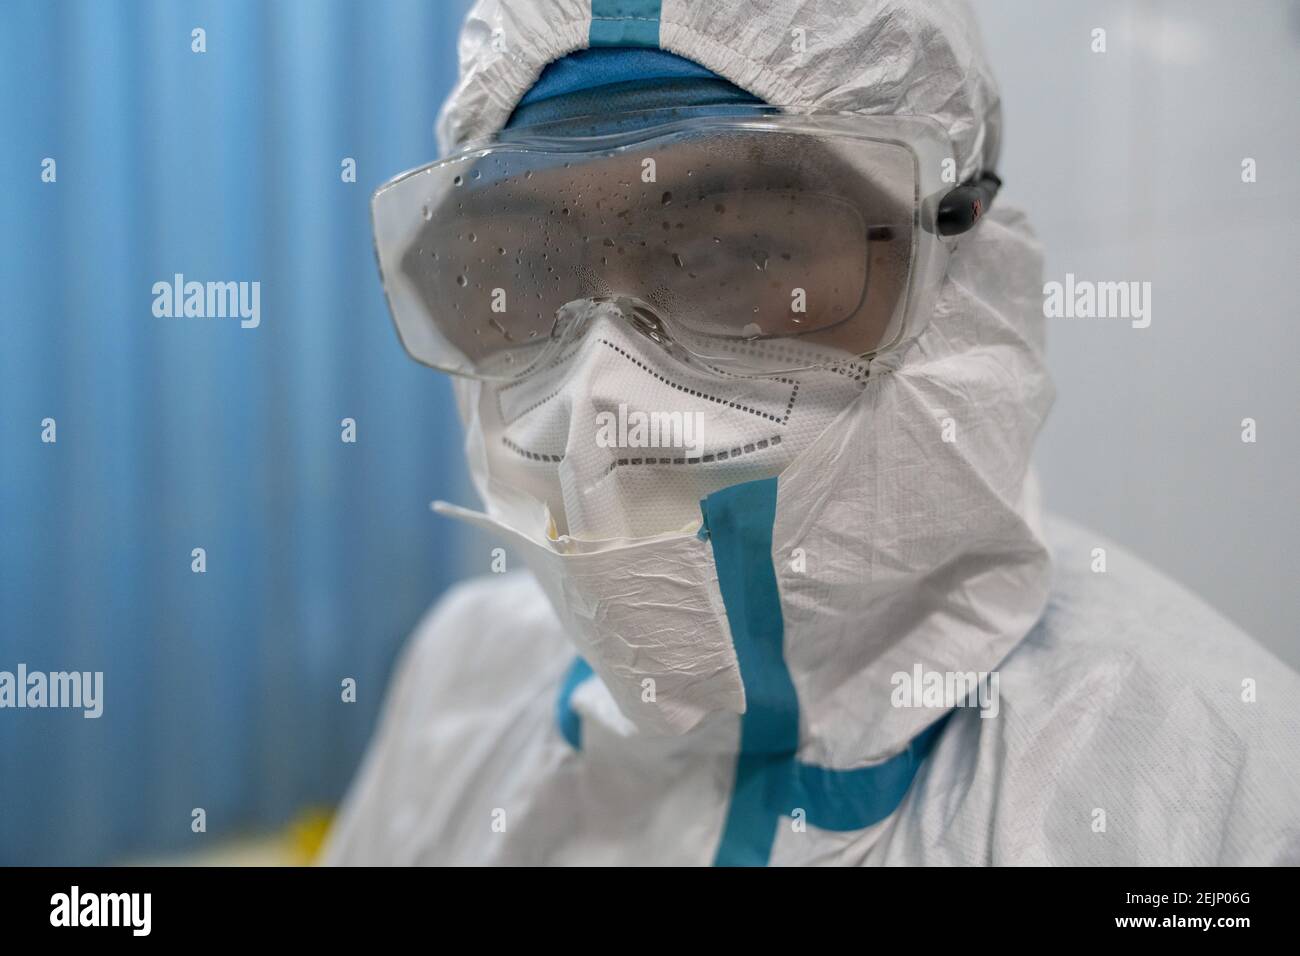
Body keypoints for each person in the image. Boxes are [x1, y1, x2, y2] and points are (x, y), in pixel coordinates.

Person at [324, 0, 1300, 865]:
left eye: (740, 251)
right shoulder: (462, 675)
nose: (600, 394)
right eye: (529, 265)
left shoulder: (1215, 781)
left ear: (963, 266)